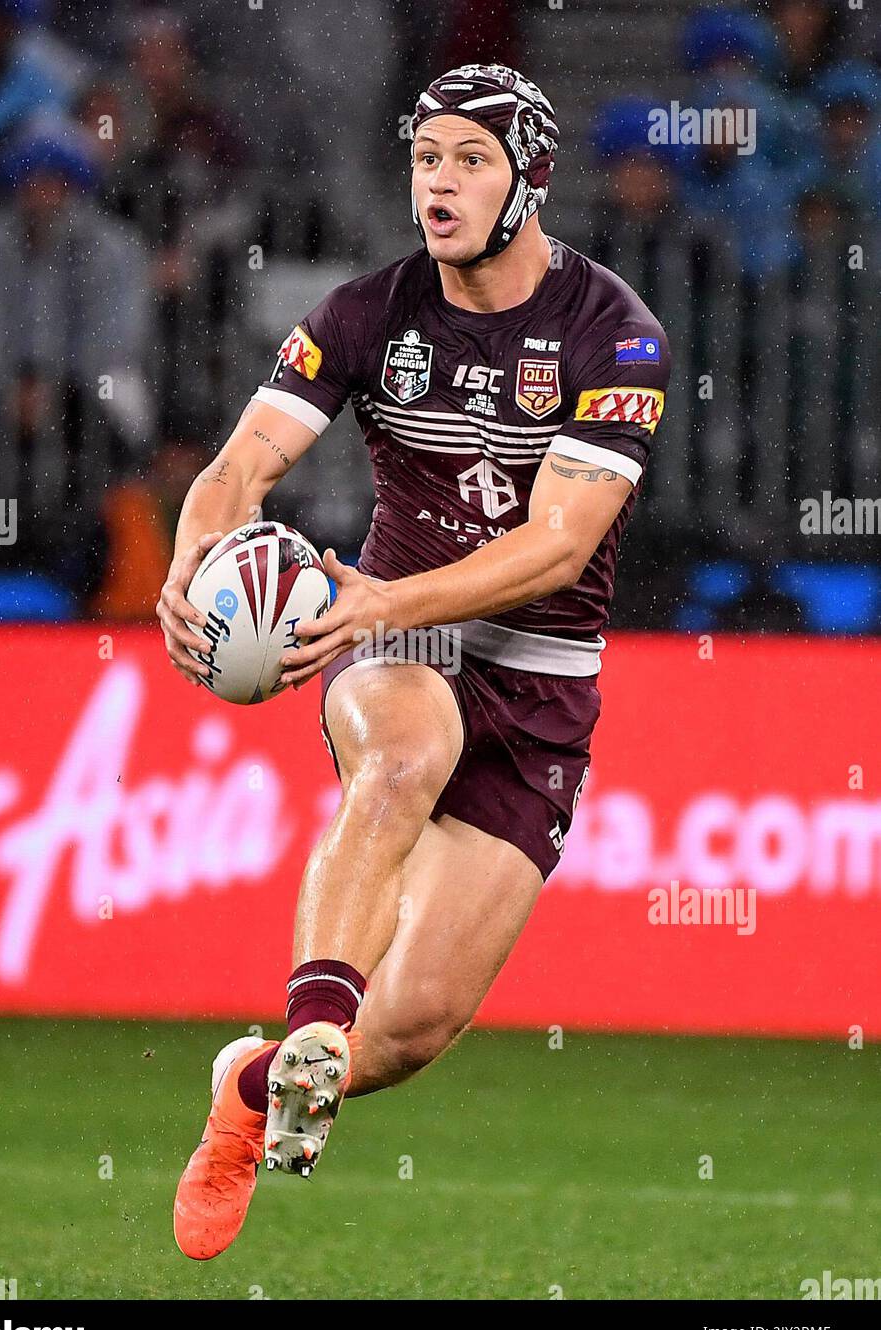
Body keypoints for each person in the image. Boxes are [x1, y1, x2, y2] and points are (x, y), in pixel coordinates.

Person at [156, 64, 670, 1261]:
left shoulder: (617, 334)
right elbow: (241, 468)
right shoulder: (367, 312)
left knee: (417, 1030)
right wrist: (189, 563)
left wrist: (385, 591)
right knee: (403, 754)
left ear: (529, 179)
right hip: (392, 641)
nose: (437, 182)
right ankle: (315, 1015)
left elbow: (559, 543)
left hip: (541, 676)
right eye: (425, 157)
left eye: (469, 160)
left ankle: (256, 1085)